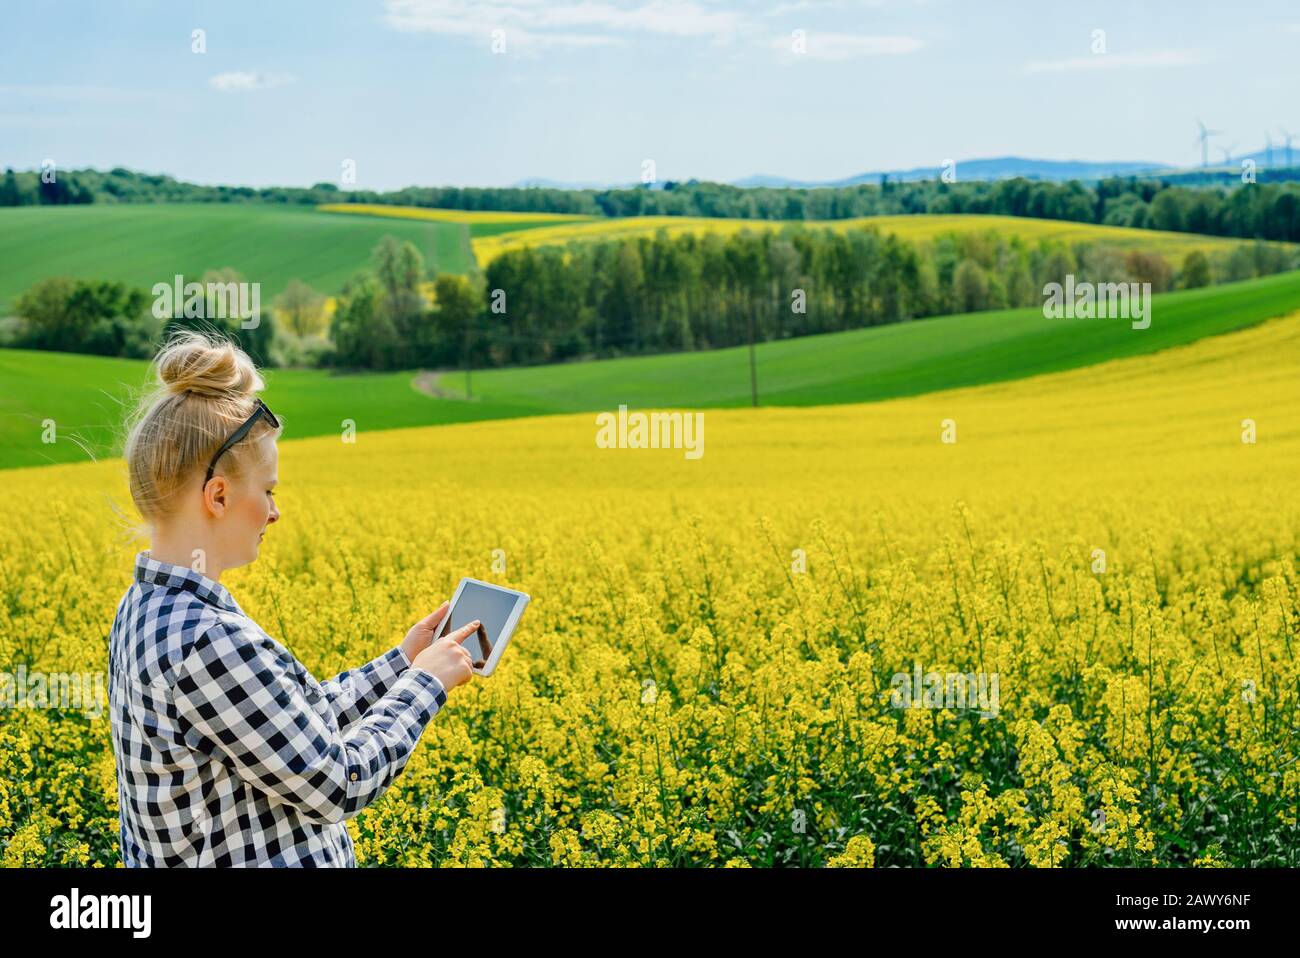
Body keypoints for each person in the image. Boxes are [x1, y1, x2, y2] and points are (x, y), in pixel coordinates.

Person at [108, 328, 479, 866]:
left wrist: (400, 663)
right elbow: (338, 782)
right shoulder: (205, 641)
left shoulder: (148, 609)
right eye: (269, 491)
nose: (275, 512)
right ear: (219, 495)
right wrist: (427, 685)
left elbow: (286, 727)